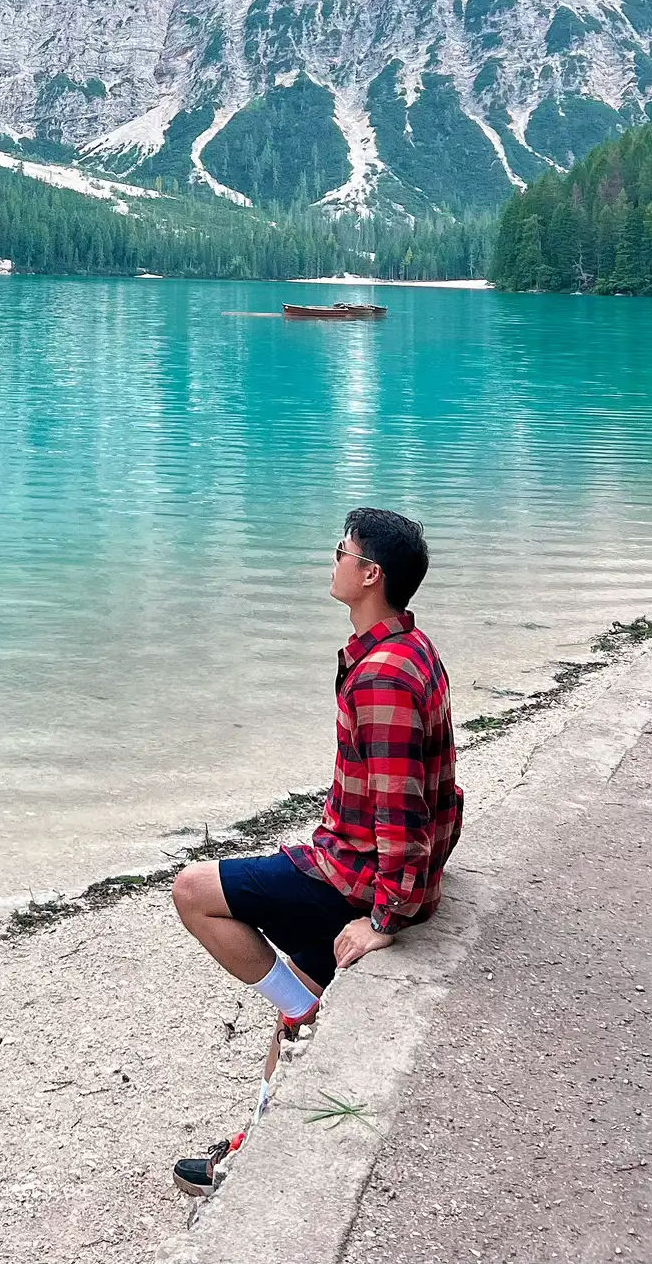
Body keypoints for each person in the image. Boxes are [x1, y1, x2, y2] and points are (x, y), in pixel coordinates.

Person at [168, 507, 463, 1198]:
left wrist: (386, 918)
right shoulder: (408, 648)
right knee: (296, 983)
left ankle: (301, 1010)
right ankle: (253, 1145)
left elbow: (403, 810)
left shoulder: (384, 675)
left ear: (369, 575)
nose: (332, 559)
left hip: (356, 881)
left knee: (192, 892)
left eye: (341, 550)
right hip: (355, 862)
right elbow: (437, 792)